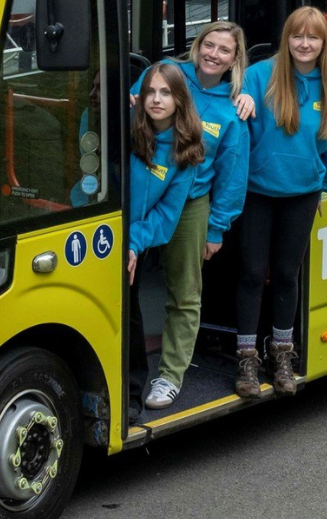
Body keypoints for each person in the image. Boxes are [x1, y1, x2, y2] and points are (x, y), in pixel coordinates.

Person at [132, 22, 254, 411]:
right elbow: (129, 106)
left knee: (184, 293)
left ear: (235, 60)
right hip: (145, 188)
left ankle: (169, 376)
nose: (213, 54)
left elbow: (233, 177)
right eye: (208, 45)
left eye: (224, 50)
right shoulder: (167, 75)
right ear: (197, 46)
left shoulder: (233, 109)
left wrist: (217, 228)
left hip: (190, 205)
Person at [235, 7, 327, 397]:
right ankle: (246, 358)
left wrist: (325, 188)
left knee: (287, 274)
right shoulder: (258, 76)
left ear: (323, 43)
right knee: (251, 273)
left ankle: (282, 354)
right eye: (297, 35)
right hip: (256, 193)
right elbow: (229, 116)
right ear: (287, 38)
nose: (304, 43)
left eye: (312, 37)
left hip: (303, 195)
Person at [126, 62, 207, 416]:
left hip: (134, 234)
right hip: (106, 228)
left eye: (165, 93)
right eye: (150, 92)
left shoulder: (186, 149)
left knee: (133, 301)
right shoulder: (125, 126)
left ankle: (146, 385)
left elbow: (165, 216)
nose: (156, 100)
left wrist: (132, 242)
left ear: (179, 100)